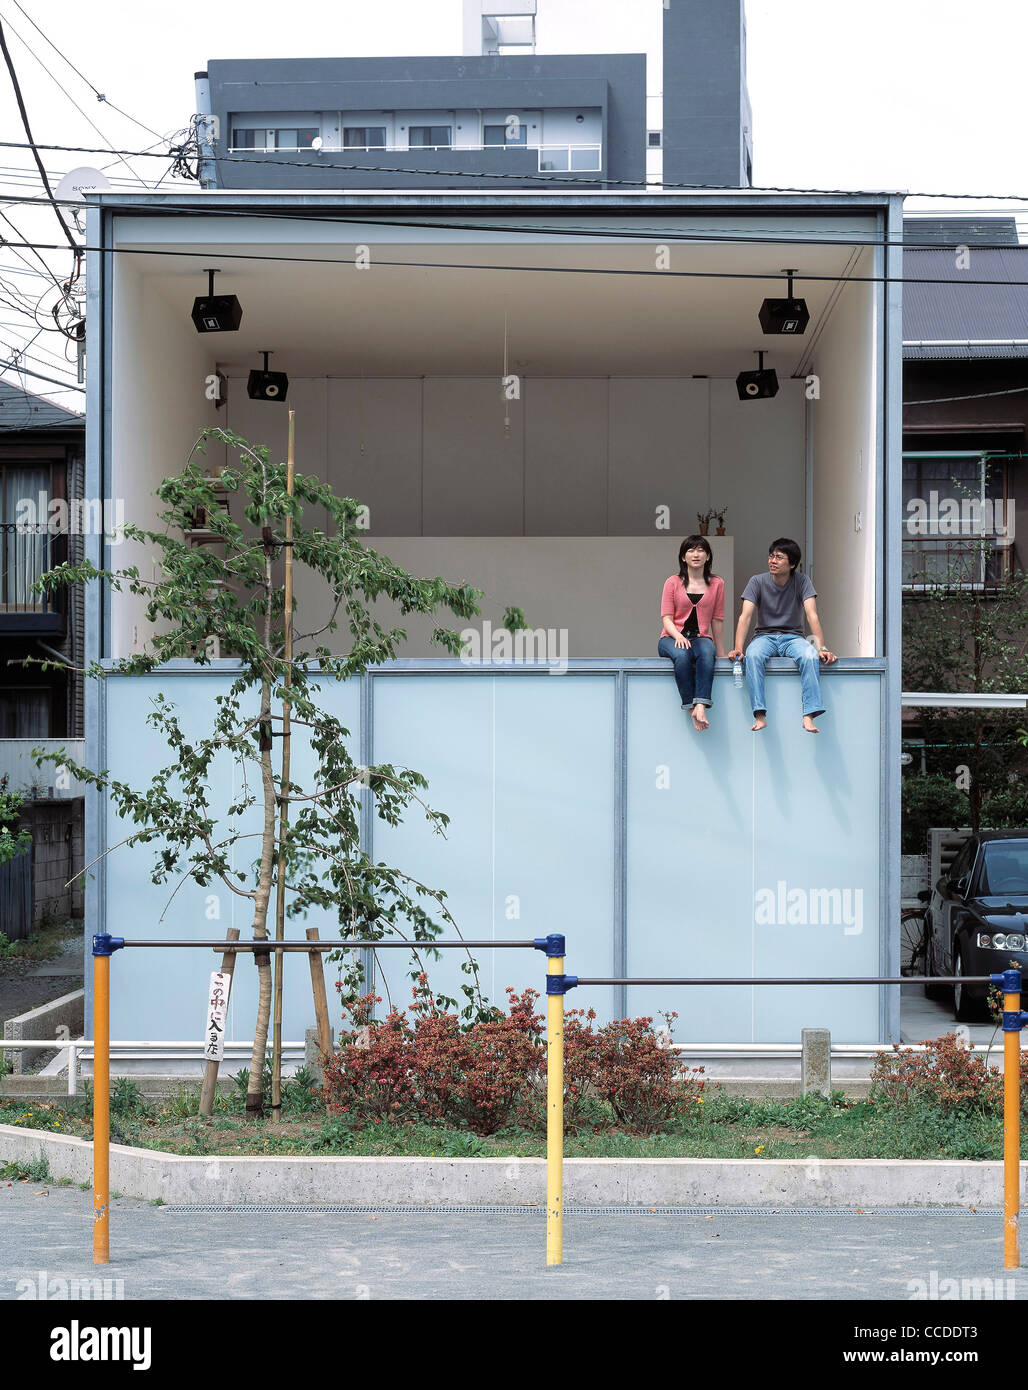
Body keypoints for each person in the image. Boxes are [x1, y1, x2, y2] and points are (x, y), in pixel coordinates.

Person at [728, 538, 837, 733]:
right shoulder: (757, 581)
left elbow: (812, 615)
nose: (773, 561)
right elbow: (745, 617)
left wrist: (822, 647)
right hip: (764, 637)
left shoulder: (802, 581)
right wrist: (738, 648)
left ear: (792, 563)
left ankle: (808, 715)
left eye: (779, 557)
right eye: (771, 556)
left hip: (793, 637)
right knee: (753, 656)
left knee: (809, 656)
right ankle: (760, 714)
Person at [658, 535, 726, 731]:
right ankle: (690, 708)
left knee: (707, 652)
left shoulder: (717, 583)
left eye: (700, 550)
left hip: (700, 638)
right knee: (682, 655)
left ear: (708, 556)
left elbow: (717, 619)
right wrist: (678, 636)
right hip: (671, 637)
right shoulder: (672, 582)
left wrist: (720, 652)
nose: (696, 554)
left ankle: (701, 705)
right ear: (683, 557)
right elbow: (666, 618)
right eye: (690, 550)